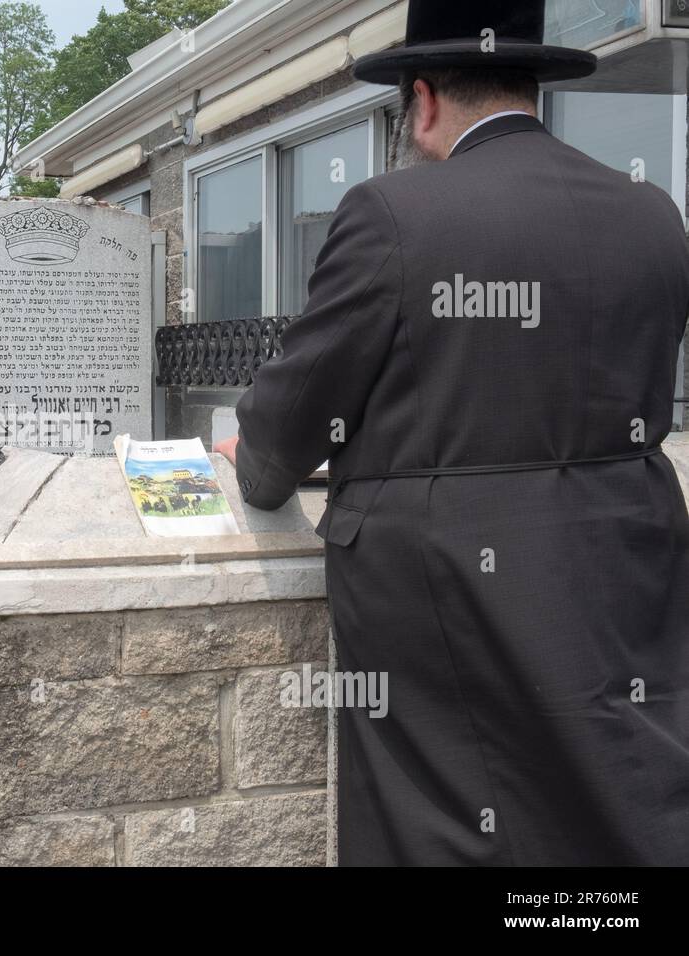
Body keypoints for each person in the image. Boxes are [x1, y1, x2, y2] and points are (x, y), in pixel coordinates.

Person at [218, 0, 689, 865]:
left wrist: (252, 461)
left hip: (449, 596)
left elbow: (290, 424)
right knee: (621, 814)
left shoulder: (393, 213)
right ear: (532, 86)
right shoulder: (652, 211)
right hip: (628, 570)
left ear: (422, 98)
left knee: (449, 828)